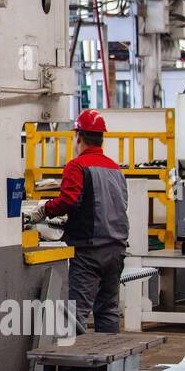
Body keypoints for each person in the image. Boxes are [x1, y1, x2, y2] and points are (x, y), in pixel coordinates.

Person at [27, 109, 129, 333]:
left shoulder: (77, 165)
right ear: (101, 138)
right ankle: (105, 365)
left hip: (89, 251)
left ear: (79, 137)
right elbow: (120, 204)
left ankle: (79, 367)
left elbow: (68, 200)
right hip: (116, 249)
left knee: (77, 313)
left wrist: (45, 209)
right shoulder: (115, 168)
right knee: (108, 310)